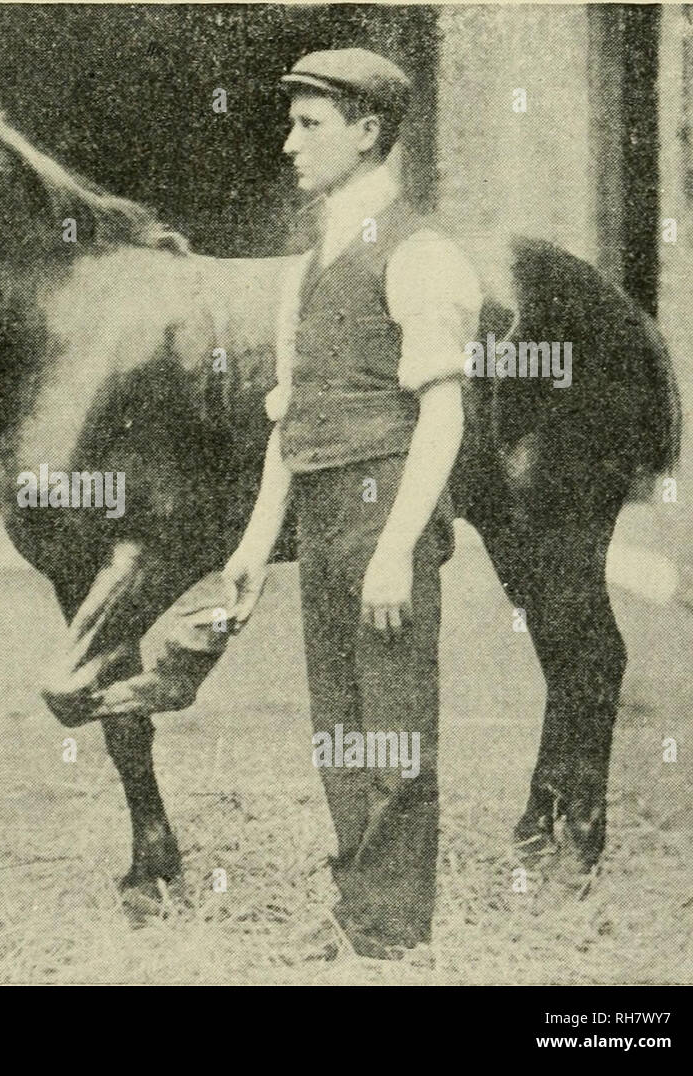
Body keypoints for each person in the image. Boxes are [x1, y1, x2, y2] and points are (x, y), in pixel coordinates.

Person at [221, 48, 482, 960]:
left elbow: (442, 418)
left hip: (387, 516)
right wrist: (257, 544)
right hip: (324, 519)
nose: (289, 142)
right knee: (339, 729)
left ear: (369, 132)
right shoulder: (304, 271)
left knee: (396, 731)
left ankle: (392, 932)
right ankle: (355, 907)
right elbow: (289, 421)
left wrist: (396, 549)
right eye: (291, 122)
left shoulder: (422, 253)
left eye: (310, 125)